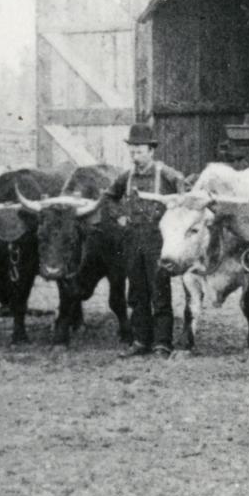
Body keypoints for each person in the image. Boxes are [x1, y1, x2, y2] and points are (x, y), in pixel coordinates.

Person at [101, 124, 188, 357]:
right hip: (132, 241)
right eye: (132, 151)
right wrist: (118, 215)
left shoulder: (167, 174)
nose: (135, 155)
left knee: (159, 291)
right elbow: (108, 197)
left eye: (139, 151)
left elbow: (185, 194)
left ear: (151, 150)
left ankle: (162, 343)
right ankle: (141, 341)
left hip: (157, 241)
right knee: (137, 293)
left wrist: (175, 214)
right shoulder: (126, 177)